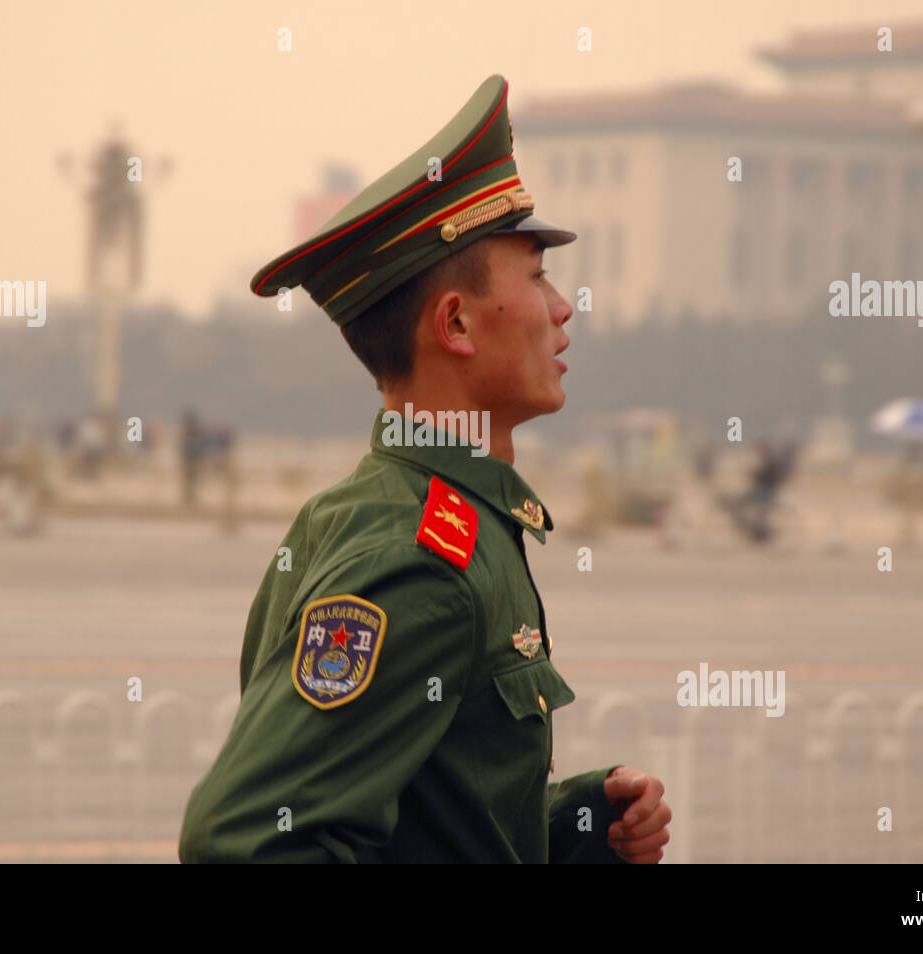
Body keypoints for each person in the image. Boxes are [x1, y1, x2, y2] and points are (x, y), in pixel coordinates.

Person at [178, 74, 670, 863]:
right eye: (538, 274)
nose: (562, 307)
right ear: (456, 323)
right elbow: (250, 839)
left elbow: (420, 812)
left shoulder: (416, 514)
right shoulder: (414, 559)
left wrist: (579, 824)